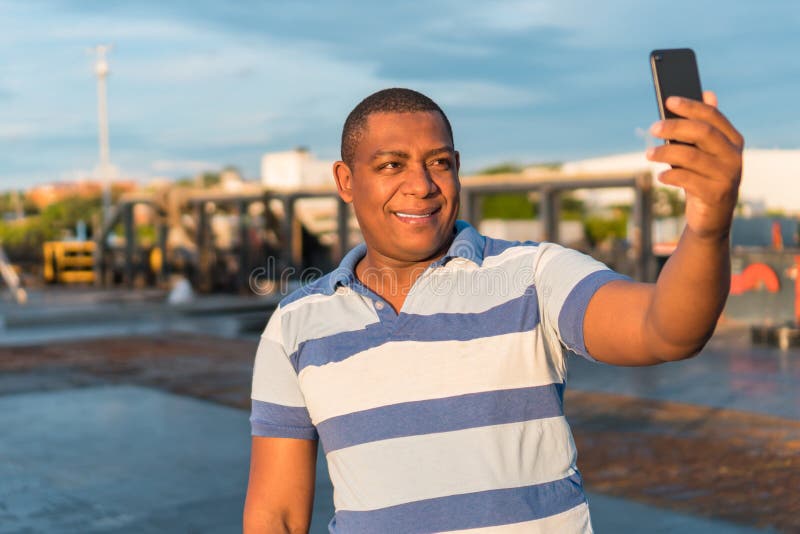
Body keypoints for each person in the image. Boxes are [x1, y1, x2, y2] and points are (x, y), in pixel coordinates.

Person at [243, 88, 743, 533]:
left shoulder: (535, 275)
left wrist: (708, 226)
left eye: (438, 162)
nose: (421, 185)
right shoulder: (294, 325)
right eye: (391, 165)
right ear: (346, 180)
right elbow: (277, 517)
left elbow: (667, 330)